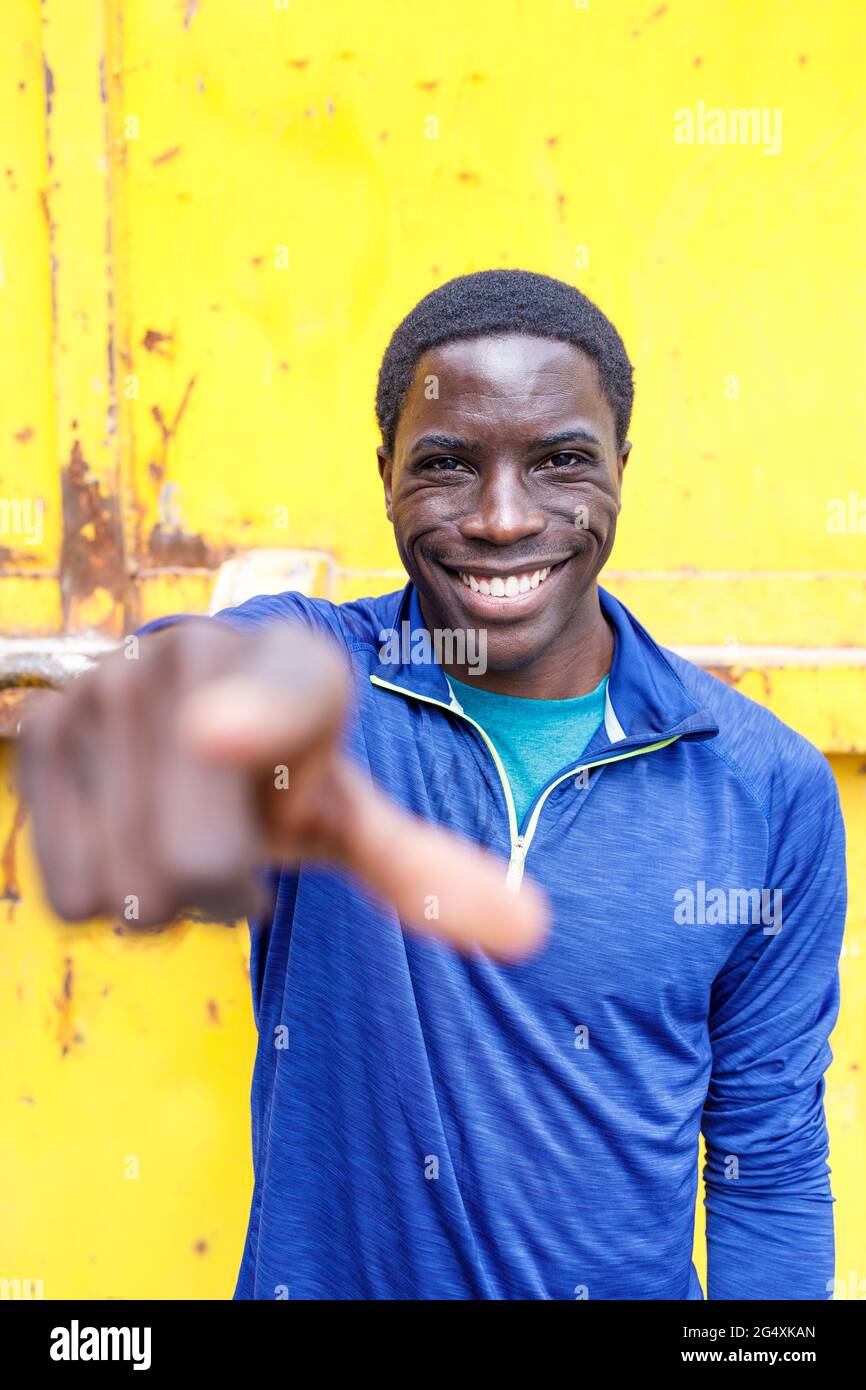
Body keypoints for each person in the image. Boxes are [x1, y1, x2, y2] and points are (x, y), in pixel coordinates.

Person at [20, 269, 846, 1300]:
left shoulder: (764, 787)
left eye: (559, 462)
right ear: (386, 478)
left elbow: (763, 1161)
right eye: (448, 466)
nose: (502, 519)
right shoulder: (324, 671)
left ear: (620, 472)